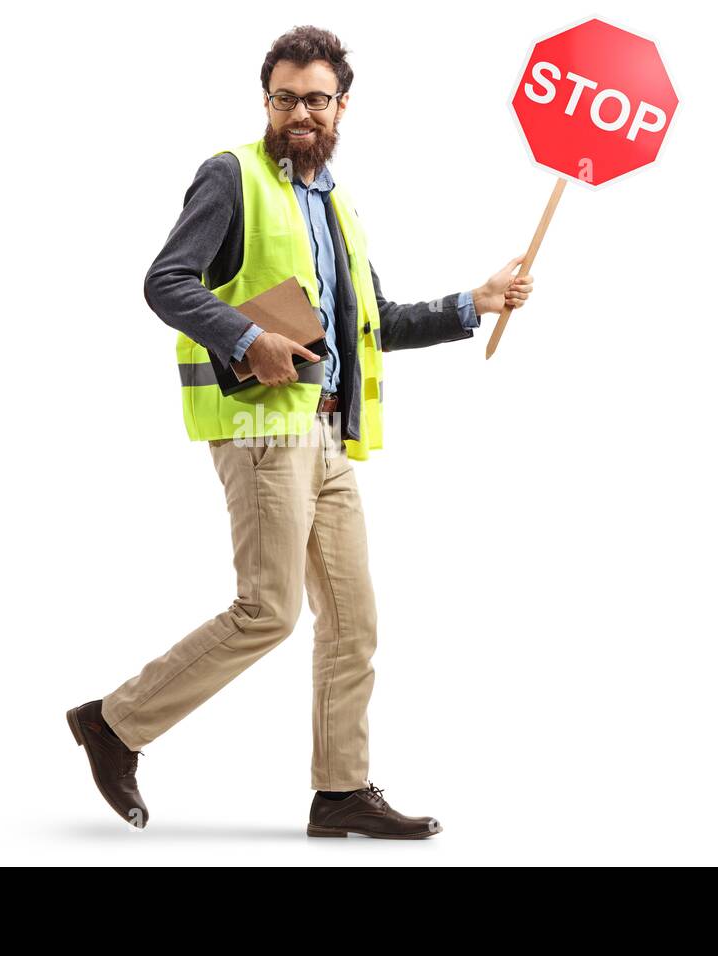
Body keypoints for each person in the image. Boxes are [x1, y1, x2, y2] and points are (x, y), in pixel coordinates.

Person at [66, 25, 534, 838]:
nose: (300, 112)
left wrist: (475, 303)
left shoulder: (338, 206)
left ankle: (341, 791)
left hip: (329, 440)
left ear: (343, 105)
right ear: (268, 103)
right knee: (269, 612)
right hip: (260, 433)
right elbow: (166, 281)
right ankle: (113, 723)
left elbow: (373, 322)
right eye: (285, 98)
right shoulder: (230, 176)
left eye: (316, 98)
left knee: (354, 624)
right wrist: (248, 339)